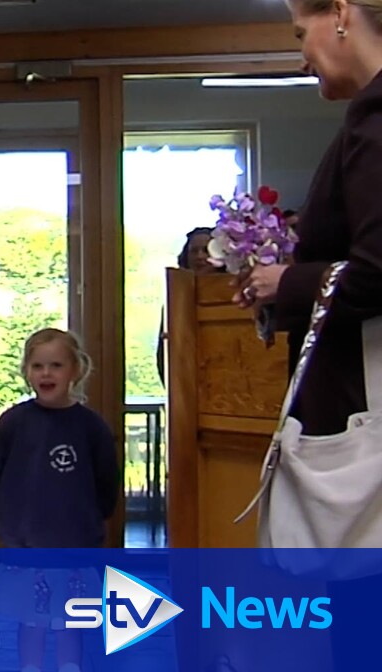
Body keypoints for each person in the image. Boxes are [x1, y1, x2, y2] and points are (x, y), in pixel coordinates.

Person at [239, 2, 382, 668]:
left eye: (303, 34)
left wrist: (285, 285)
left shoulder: (376, 126)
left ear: (344, 15)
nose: (302, 55)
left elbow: (378, 271)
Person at [0, 328, 118, 672]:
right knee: (31, 617)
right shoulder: (13, 422)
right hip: (26, 545)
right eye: (38, 365)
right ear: (27, 370)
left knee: (70, 617)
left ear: (75, 370)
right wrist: (13, 519)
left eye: (56, 365)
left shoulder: (91, 427)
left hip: (74, 545)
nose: (46, 373)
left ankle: (69, 666)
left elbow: (107, 482)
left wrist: (91, 524)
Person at [157, 226, 223, 385]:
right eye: (194, 251)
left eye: (206, 250)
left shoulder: (236, 293)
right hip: (187, 384)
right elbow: (163, 356)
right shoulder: (175, 299)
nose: (200, 256)